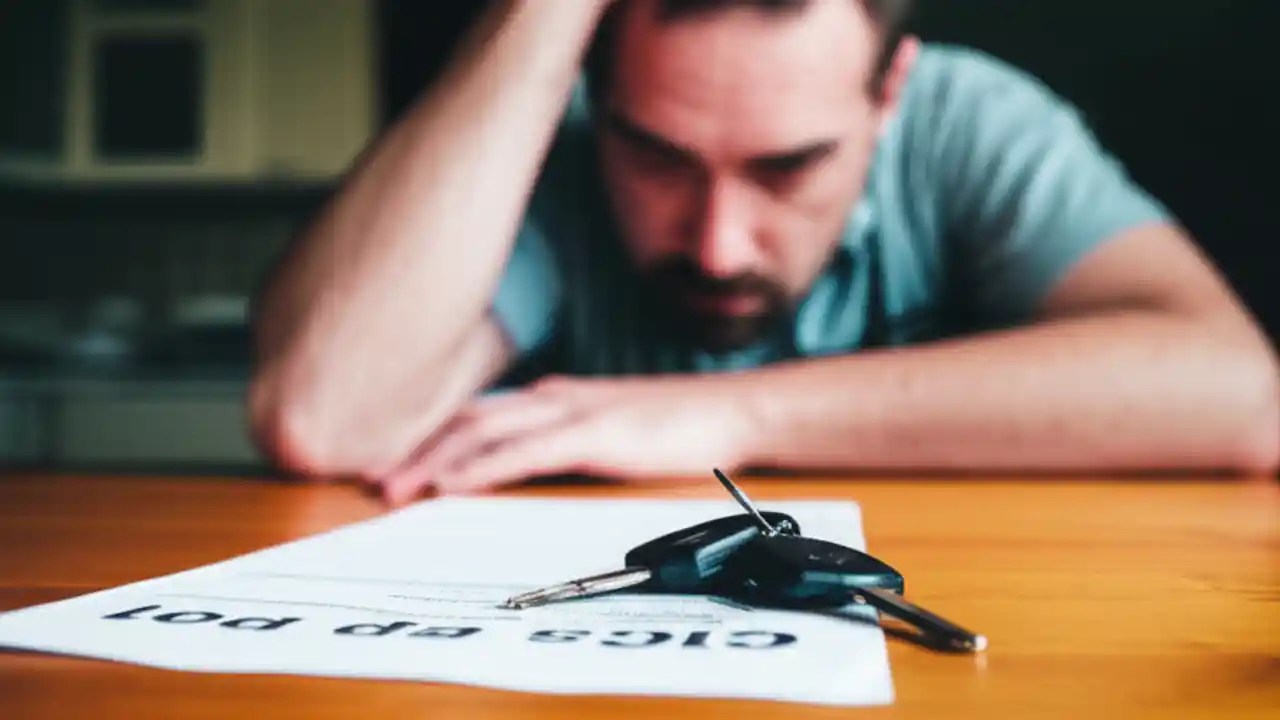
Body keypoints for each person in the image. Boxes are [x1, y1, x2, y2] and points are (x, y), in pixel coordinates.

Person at [248, 0, 1279, 503]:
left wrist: (733, 412)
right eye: (654, 156)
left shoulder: (966, 124)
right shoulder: (542, 148)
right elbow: (327, 415)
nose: (716, 243)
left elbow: (1242, 396)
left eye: (786, 168)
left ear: (888, 95)